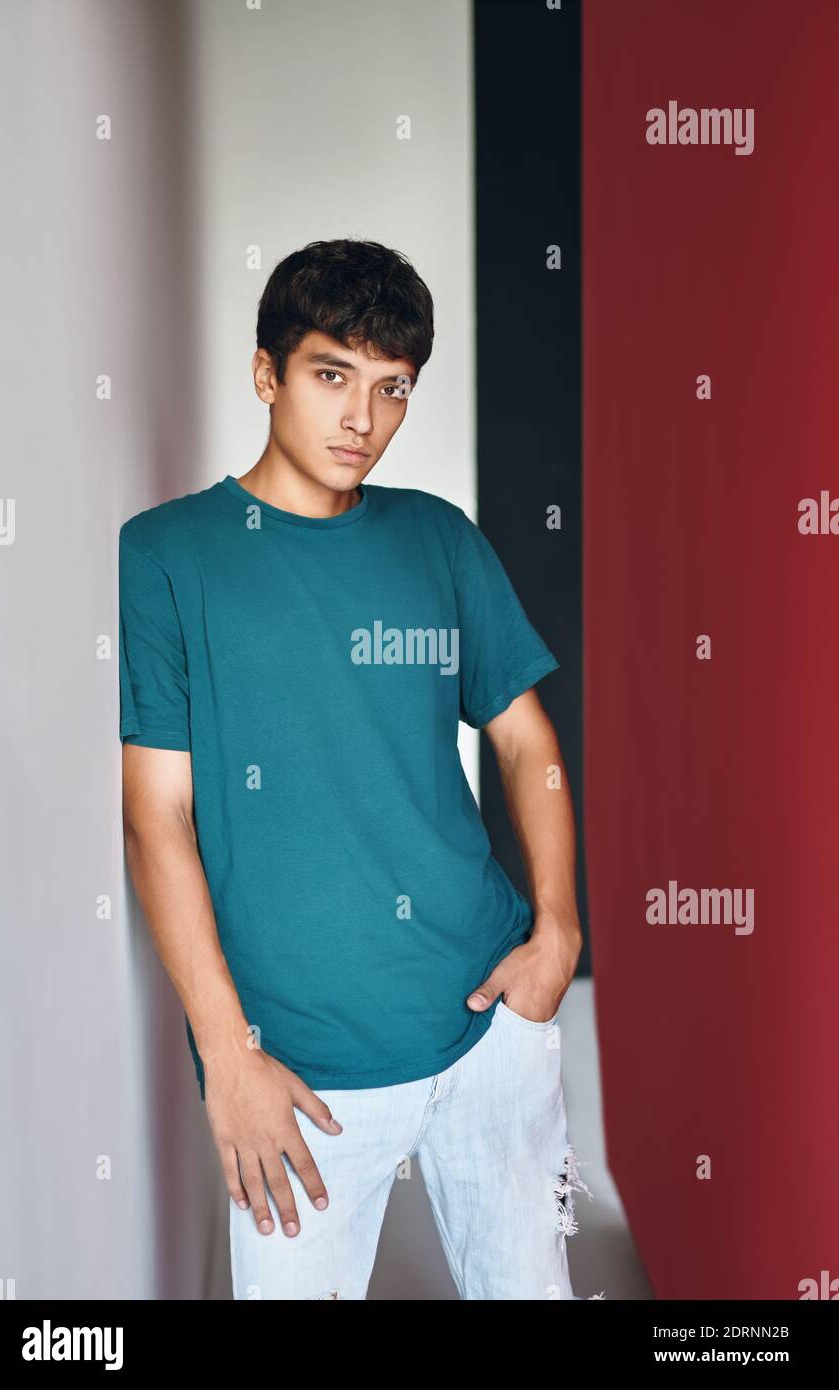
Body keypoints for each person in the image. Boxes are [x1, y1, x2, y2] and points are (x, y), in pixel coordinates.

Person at [119, 238, 588, 1300]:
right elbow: (159, 822)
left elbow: (525, 740)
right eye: (332, 375)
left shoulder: (438, 539)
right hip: (298, 1074)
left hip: (487, 1029)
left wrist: (557, 924)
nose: (360, 420)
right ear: (267, 373)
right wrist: (229, 1055)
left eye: (391, 390)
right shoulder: (163, 557)